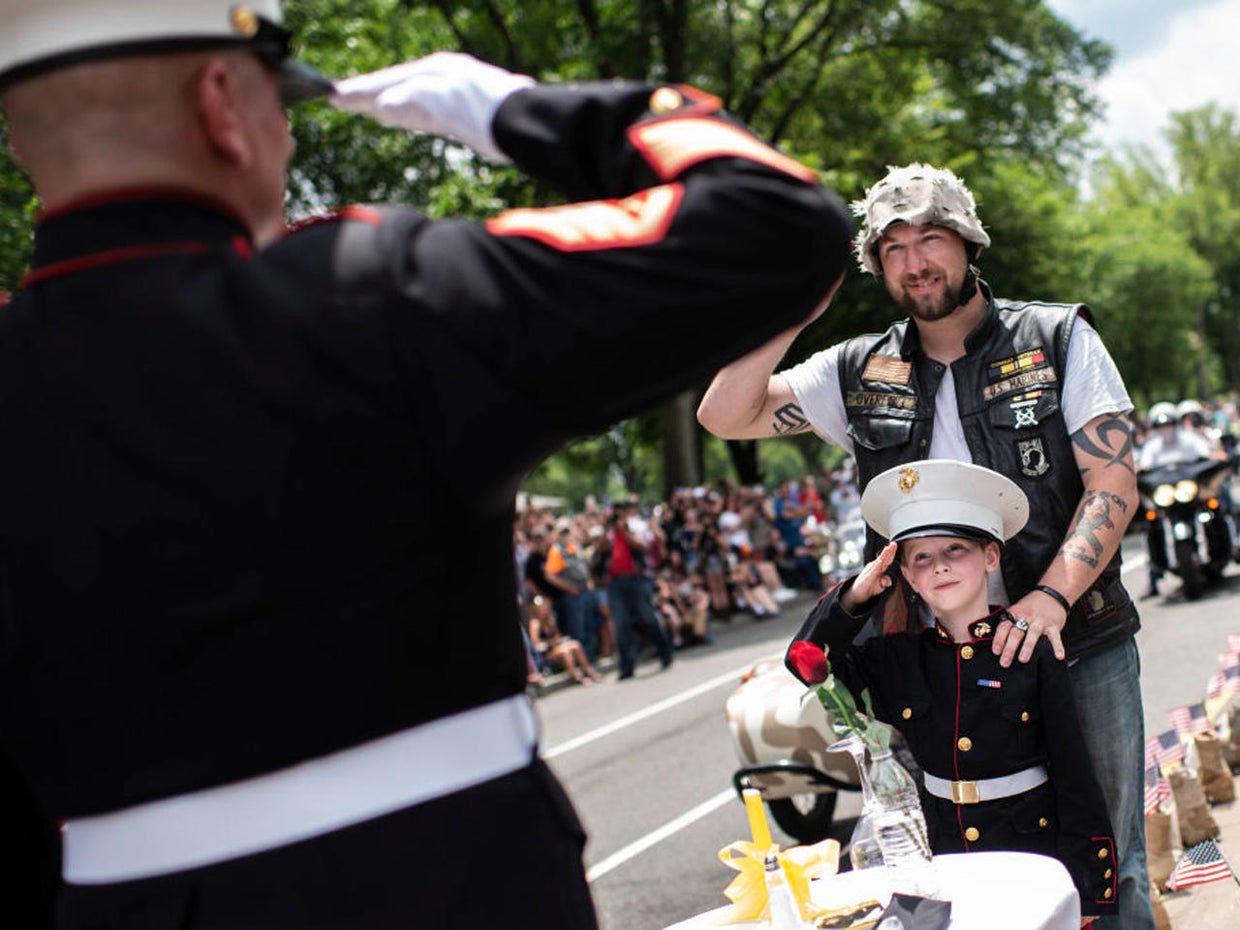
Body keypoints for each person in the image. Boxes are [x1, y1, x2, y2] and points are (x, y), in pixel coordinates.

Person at [0, 2, 854, 927]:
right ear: (221, 103)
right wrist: (514, 110)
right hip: (448, 883)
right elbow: (777, 224)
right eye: (279, 101)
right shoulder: (364, 295)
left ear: (21, 139)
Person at [698, 162, 1152, 929]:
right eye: (894, 247)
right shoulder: (855, 369)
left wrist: (1049, 597)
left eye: (932, 237)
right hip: (933, 660)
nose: (915, 261)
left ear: (969, 243)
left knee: (1109, 860)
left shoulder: (1056, 337)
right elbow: (724, 413)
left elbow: (1113, 484)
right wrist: (795, 308)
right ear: (875, 266)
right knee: (958, 880)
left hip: (1076, 640)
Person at [786, 460, 1118, 921]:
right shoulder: (898, 660)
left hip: (1030, 853)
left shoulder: (1029, 648)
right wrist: (855, 597)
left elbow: (1073, 773)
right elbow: (807, 662)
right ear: (906, 576)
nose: (938, 565)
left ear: (990, 556)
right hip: (942, 857)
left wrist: (1086, 887)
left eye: (955, 549)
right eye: (920, 557)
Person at [526, 596, 602, 686]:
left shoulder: (550, 619)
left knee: (575, 645)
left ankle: (590, 671)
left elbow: (557, 635)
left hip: (556, 648)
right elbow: (536, 644)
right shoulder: (535, 624)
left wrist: (558, 640)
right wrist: (551, 642)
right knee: (565, 651)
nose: (543, 609)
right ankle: (578, 677)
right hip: (546, 653)